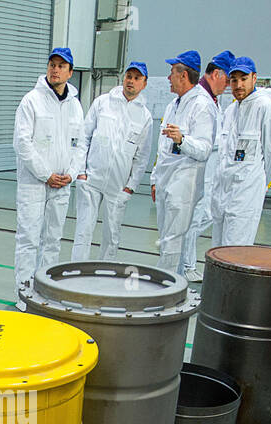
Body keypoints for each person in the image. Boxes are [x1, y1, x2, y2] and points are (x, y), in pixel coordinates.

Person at [13, 47, 83, 295]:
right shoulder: (31, 100)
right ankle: (24, 295)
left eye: (61, 66)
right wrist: (46, 175)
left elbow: (80, 144)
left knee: (53, 240)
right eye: (52, 64)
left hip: (62, 184)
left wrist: (72, 174)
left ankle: (46, 293)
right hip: (34, 183)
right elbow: (22, 143)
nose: (55, 69)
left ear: (70, 72)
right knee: (29, 240)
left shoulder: (75, 106)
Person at [71, 61, 152, 261]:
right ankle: (76, 275)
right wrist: (80, 172)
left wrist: (130, 187)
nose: (131, 81)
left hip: (118, 187)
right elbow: (84, 137)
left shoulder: (144, 116)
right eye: (129, 76)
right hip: (91, 180)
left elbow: (142, 156)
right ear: (123, 78)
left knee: (111, 237)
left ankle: (105, 276)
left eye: (136, 78)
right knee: (83, 232)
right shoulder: (103, 102)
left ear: (144, 83)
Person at [150, 50, 217, 274]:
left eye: (172, 73)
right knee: (166, 241)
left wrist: (183, 140)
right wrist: (154, 179)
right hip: (165, 182)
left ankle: (164, 291)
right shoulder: (173, 105)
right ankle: (172, 285)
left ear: (184, 75)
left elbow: (205, 149)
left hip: (184, 186)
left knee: (172, 243)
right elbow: (162, 147)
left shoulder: (202, 106)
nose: (168, 78)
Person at [209, 56, 271, 248]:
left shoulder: (266, 109)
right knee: (217, 250)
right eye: (234, 80)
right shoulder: (230, 110)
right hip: (222, 194)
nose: (238, 84)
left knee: (236, 251)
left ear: (254, 78)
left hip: (245, 195)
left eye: (243, 79)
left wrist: (258, 184)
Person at [180, 50, 235, 281]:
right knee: (193, 218)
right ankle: (186, 265)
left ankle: (184, 260)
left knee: (203, 216)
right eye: (228, 79)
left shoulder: (212, 100)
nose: (230, 85)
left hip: (209, 169)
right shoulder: (200, 99)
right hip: (194, 170)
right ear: (217, 74)